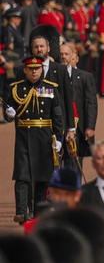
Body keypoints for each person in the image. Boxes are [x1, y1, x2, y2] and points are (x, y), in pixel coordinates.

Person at [6, 55, 67, 223]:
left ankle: (38, 211)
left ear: (42, 70)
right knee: (22, 175)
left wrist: (59, 138)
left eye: (37, 69)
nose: (34, 72)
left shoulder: (51, 88)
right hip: (24, 136)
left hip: (44, 137)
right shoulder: (16, 89)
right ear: (25, 70)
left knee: (42, 176)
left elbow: (57, 117)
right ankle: (21, 211)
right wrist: (9, 114)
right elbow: (10, 110)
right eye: (31, 69)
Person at [58, 43, 97, 162]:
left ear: (72, 56)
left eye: (66, 54)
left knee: (74, 164)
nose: (63, 57)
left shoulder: (85, 77)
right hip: (57, 126)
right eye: (61, 54)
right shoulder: (52, 75)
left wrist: (90, 126)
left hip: (77, 127)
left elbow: (91, 103)